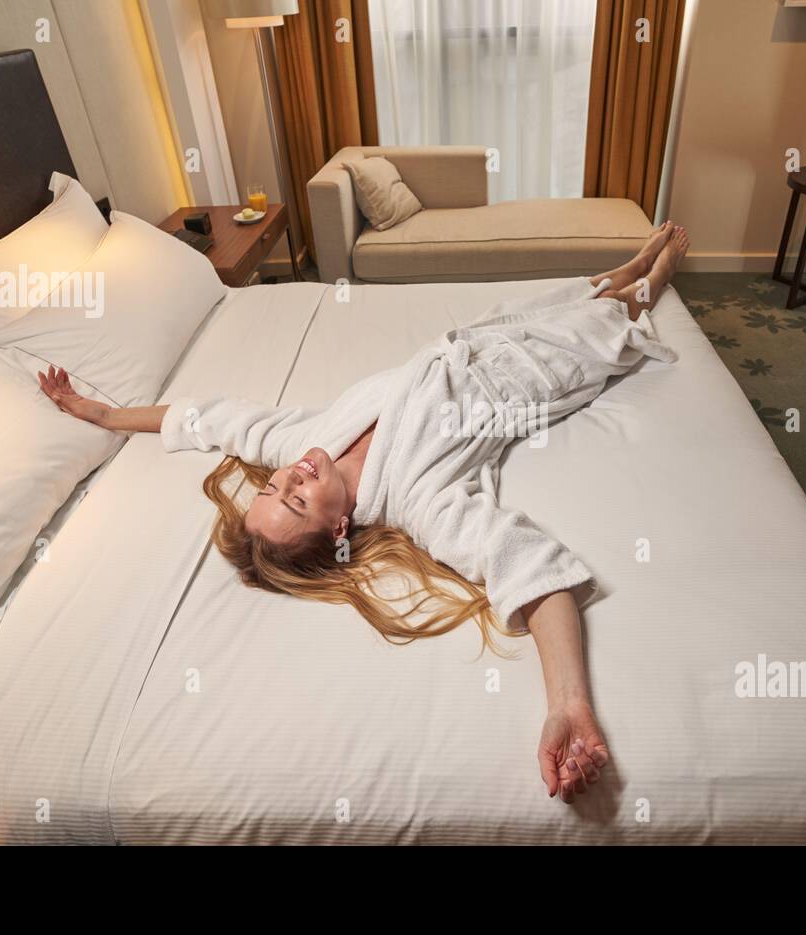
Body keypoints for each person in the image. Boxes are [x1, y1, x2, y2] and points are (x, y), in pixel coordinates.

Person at [39, 224, 690, 803]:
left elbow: (208, 419)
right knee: (610, 321)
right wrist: (568, 703)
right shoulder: (420, 498)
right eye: (296, 498)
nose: (292, 475)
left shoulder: (301, 446)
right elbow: (527, 566)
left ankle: (629, 265)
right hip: (531, 370)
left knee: (565, 295)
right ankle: (651, 279)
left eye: (273, 487)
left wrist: (102, 414)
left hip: (476, 336)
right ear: (339, 528)